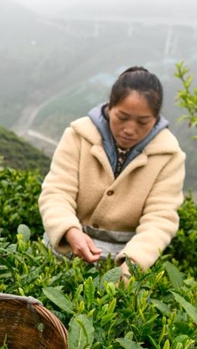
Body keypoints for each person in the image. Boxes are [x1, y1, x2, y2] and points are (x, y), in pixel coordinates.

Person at [39, 66, 186, 278]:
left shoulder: (168, 156)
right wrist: (70, 231)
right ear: (110, 107)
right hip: (67, 247)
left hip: (122, 260)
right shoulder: (78, 136)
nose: (129, 129)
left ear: (156, 119)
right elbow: (57, 192)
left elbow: (160, 219)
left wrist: (133, 265)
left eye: (142, 122)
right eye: (122, 117)